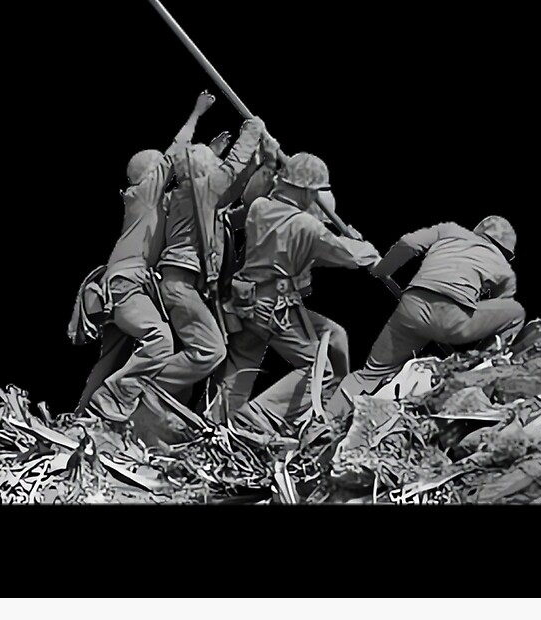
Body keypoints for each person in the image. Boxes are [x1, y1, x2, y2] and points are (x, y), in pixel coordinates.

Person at [94, 115, 270, 417]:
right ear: (204, 172)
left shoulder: (196, 198)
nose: (218, 169)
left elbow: (233, 194)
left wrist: (259, 162)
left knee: (208, 350)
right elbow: (230, 172)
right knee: (210, 350)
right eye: (213, 166)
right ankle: (137, 390)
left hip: (183, 286)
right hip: (178, 286)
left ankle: (148, 396)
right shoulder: (196, 191)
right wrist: (251, 130)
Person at [71, 90, 216, 420]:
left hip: (125, 286)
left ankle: (83, 416)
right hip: (126, 285)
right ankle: (114, 396)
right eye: (161, 168)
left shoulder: (154, 203)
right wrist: (197, 113)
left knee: (112, 358)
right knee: (159, 340)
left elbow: (192, 184)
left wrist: (211, 155)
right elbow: (175, 152)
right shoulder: (144, 194)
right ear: (149, 174)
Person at [210, 152, 381, 428]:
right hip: (274, 306)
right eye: (313, 192)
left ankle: (217, 423)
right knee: (318, 370)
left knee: (241, 367)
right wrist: (366, 249)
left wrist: (342, 243)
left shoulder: (260, 208)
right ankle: (258, 418)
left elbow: (305, 252)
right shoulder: (306, 225)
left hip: (245, 300)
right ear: (305, 190)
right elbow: (347, 255)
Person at [324, 215, 526, 418]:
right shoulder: (505, 271)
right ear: (507, 252)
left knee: (370, 374)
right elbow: (497, 315)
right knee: (516, 312)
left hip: (411, 309)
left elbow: (409, 243)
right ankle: (482, 366)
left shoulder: (450, 230)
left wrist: (380, 269)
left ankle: (325, 421)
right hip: (452, 319)